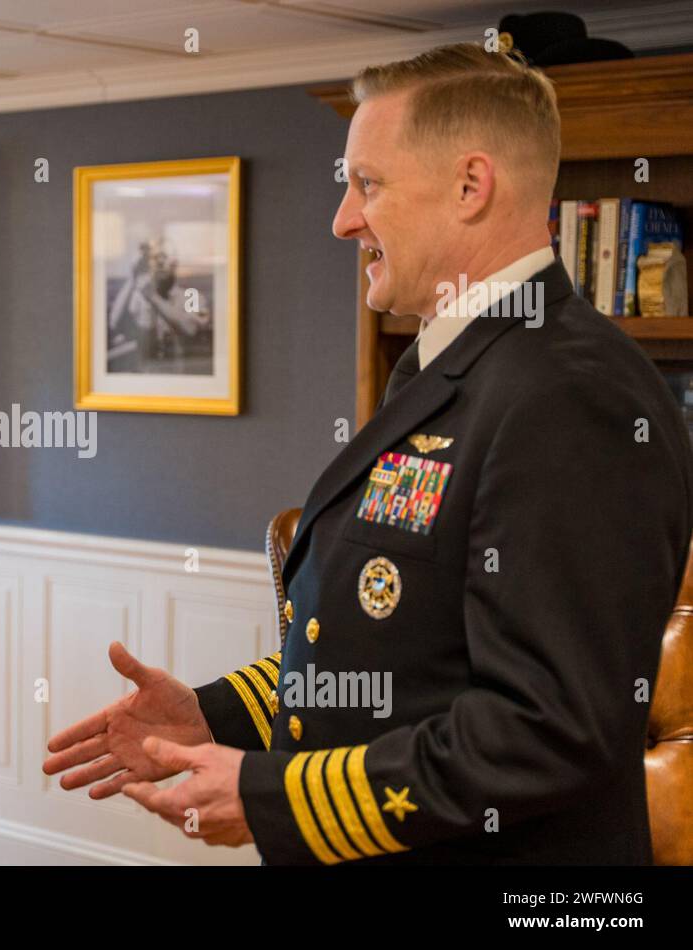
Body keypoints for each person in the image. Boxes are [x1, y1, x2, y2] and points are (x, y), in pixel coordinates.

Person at [44, 43, 693, 864]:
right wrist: (219, 715)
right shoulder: (447, 362)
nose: (344, 218)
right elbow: (393, 638)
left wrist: (273, 796)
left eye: (368, 184)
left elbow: (548, 729)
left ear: (470, 186)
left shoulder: (569, 393)